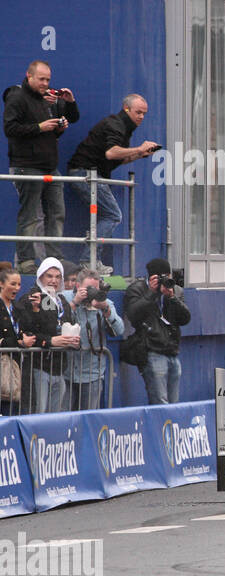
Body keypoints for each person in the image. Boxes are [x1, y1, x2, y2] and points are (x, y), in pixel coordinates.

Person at [65, 94, 158, 275]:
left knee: (110, 215)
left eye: (144, 114)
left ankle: (90, 259)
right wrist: (139, 148)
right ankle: (88, 259)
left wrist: (139, 155)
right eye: (138, 112)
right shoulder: (116, 124)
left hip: (90, 172)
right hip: (85, 172)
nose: (141, 117)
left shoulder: (124, 127)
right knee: (113, 215)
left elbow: (116, 158)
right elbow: (111, 153)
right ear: (126, 109)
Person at [4, 60, 79, 274]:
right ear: (29, 76)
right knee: (29, 215)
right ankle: (26, 261)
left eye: (48, 79)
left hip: (49, 166)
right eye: (41, 79)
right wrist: (40, 127)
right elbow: (10, 128)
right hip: (26, 166)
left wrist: (57, 128)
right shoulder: (17, 97)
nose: (45, 83)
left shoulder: (46, 101)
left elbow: (57, 128)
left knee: (57, 212)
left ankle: (54, 259)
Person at [16, 257, 79, 414]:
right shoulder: (31, 298)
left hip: (59, 367)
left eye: (58, 277)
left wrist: (74, 340)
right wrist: (50, 341)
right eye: (49, 276)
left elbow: (68, 323)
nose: (54, 280)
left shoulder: (62, 301)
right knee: (38, 413)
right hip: (38, 367)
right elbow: (26, 330)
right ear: (40, 276)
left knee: (55, 415)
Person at [124, 257, 190, 404]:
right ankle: (160, 427)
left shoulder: (176, 290)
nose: (166, 280)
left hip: (172, 350)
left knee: (174, 402)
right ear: (151, 277)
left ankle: (171, 426)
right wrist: (151, 293)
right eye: (162, 277)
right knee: (160, 401)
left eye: (168, 276)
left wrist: (172, 298)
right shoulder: (137, 290)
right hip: (152, 350)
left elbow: (185, 318)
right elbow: (133, 316)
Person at [62, 267, 124, 410]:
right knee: (63, 419)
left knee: (88, 418)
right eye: (89, 289)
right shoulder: (65, 298)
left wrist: (106, 310)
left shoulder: (104, 302)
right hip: (66, 370)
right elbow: (55, 324)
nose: (92, 293)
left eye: (95, 289)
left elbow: (120, 330)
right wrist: (75, 303)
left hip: (92, 373)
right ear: (78, 286)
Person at [0, 265, 36, 415]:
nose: (17, 288)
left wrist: (35, 309)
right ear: (1, 284)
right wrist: (19, 343)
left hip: (17, 367)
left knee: (16, 410)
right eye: (12, 284)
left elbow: (28, 329)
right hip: (3, 365)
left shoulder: (18, 307)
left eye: (19, 284)